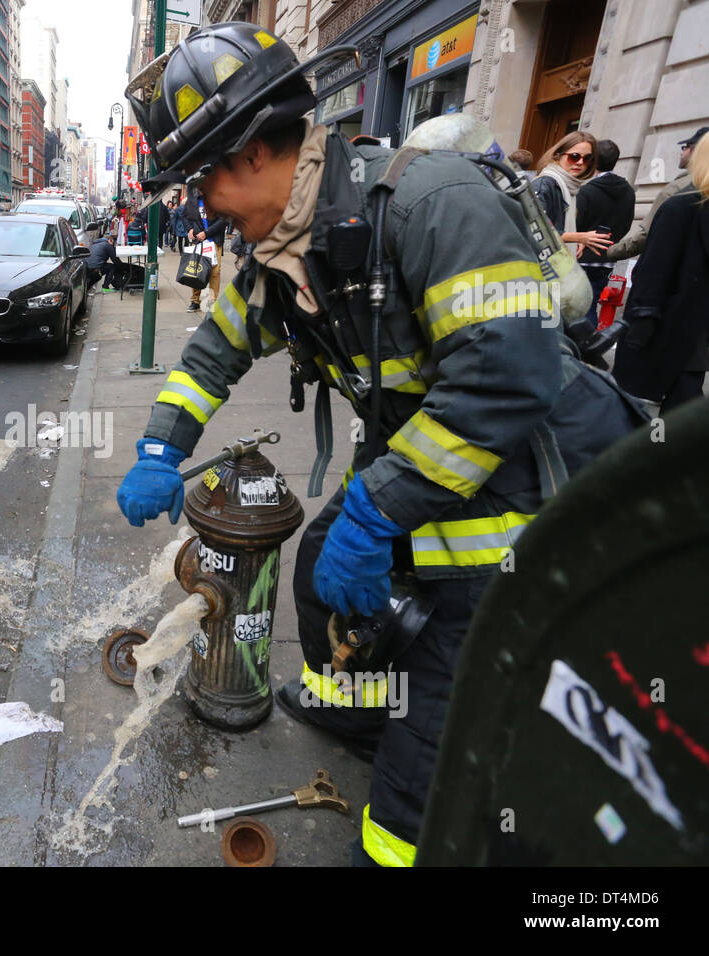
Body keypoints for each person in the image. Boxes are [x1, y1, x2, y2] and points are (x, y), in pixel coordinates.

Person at [115, 22, 643, 867]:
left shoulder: (430, 202)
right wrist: (157, 448)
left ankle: (404, 838)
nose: (195, 201)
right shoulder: (280, 248)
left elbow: (506, 381)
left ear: (253, 152)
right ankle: (357, 705)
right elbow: (215, 352)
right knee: (328, 564)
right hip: (422, 444)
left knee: (443, 680)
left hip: (533, 470)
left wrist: (378, 506)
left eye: (201, 177)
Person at [612, 135, 709, 416]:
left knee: (681, 405)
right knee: (635, 403)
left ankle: (659, 451)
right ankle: (634, 451)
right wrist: (644, 320)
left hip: (695, 331)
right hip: (665, 323)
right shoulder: (681, 206)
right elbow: (654, 269)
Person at [607, 126, 705, 261]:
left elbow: (647, 234)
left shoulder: (677, 188)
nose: (681, 153)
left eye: (685, 148)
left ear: (695, 151)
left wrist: (610, 252)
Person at [574, 139, 634, 328]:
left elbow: (576, 223)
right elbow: (626, 223)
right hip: (607, 256)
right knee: (589, 305)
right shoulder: (628, 191)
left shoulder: (586, 190)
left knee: (581, 308)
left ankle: (586, 348)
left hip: (582, 255)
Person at [530, 132, 612, 258]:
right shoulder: (544, 184)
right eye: (574, 156)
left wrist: (575, 240)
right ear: (558, 156)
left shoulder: (571, 187)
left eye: (587, 158)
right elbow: (535, 232)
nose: (580, 162)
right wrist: (579, 237)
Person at [181, 183, 226, 312]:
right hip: (198, 242)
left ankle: (213, 301)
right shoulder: (193, 200)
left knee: (215, 272)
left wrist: (207, 233)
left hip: (214, 241)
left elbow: (223, 220)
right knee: (195, 271)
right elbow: (185, 217)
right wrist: (189, 229)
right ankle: (195, 300)